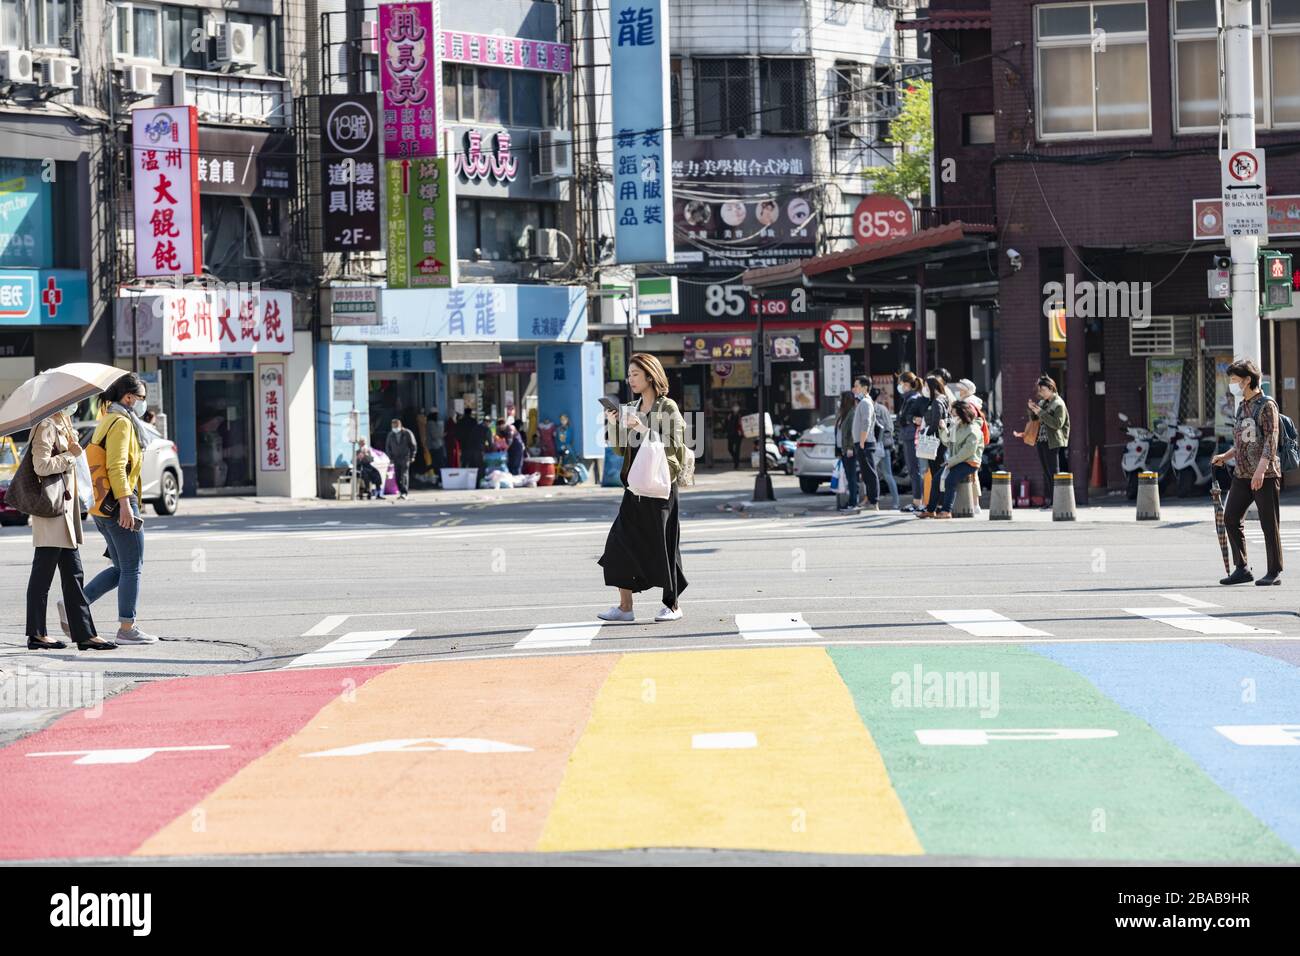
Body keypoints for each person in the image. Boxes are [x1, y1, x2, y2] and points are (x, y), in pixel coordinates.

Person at [597, 353, 690, 624]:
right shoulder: (630, 407)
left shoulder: (667, 407)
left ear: (650, 375)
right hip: (635, 486)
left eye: (635, 374)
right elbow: (619, 448)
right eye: (629, 375)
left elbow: (676, 445)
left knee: (663, 545)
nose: (631, 379)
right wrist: (614, 424)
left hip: (661, 486)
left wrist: (644, 427)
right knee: (618, 543)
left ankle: (672, 605)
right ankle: (625, 607)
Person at [25, 407, 112, 651]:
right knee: (43, 577)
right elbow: (41, 466)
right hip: (52, 515)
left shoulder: (63, 423)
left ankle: (85, 634)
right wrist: (70, 456)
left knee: (74, 575)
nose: (74, 405)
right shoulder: (46, 425)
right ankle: (37, 634)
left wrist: (72, 445)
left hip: (64, 515)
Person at [83, 372, 156, 645]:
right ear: (128, 397)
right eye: (141, 398)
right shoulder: (122, 423)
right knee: (132, 568)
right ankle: (127, 627)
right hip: (119, 503)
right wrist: (126, 505)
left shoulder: (108, 419)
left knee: (120, 567)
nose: (143, 403)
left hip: (102, 505)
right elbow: (116, 465)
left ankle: (74, 605)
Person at [1212, 358, 1283, 586]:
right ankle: (1241, 568)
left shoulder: (1267, 405)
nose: (1232, 384)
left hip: (1265, 475)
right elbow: (1243, 441)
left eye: (1235, 379)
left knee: (1268, 524)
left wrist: (1261, 471)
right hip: (1242, 474)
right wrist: (1226, 456)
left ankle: (1274, 571)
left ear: (1248, 380)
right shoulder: (1242, 406)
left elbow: (1271, 440)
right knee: (1230, 517)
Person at [927, 400, 986, 519]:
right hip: (955, 460)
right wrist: (943, 429)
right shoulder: (957, 426)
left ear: (961, 413)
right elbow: (947, 441)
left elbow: (968, 452)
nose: (952, 416)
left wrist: (950, 462)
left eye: (953, 414)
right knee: (936, 479)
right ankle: (930, 510)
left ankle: (946, 511)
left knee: (950, 481)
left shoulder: (973, 430)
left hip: (970, 462)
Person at [1027, 374, 1070, 509]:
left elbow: (1057, 424)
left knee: (1054, 472)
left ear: (1051, 388)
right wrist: (1032, 410)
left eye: (1043, 390)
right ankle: (1051, 501)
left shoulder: (1058, 404)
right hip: (1041, 440)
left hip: (1053, 441)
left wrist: (1041, 412)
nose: (1041, 393)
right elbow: (1036, 419)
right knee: (1046, 472)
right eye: (1040, 391)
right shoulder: (1042, 402)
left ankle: (1057, 502)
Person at [916, 374, 951, 515]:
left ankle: (937, 506)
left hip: (935, 443)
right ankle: (934, 506)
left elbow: (936, 422)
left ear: (931, 387)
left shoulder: (937, 402)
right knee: (938, 475)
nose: (924, 388)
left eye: (925, 386)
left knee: (937, 475)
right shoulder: (944, 399)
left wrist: (926, 434)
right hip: (941, 442)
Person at [896, 371, 928, 512]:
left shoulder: (913, 398)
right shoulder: (910, 398)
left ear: (907, 384)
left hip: (912, 436)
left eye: (900, 383)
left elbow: (904, 419)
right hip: (909, 435)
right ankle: (918, 500)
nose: (900, 386)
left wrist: (905, 419)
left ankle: (918, 501)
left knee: (915, 470)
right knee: (914, 470)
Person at [871, 387, 901, 510]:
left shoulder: (877, 409)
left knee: (885, 474)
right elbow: (890, 427)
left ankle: (895, 502)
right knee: (882, 474)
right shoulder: (882, 408)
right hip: (881, 445)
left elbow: (887, 428)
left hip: (881, 446)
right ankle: (891, 502)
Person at [852, 376, 879, 511]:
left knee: (870, 472)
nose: (854, 389)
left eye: (856, 386)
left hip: (865, 442)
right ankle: (869, 498)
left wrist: (862, 441)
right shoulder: (863, 402)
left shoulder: (866, 403)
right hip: (862, 442)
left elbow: (866, 423)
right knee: (866, 472)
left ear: (864, 388)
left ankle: (874, 501)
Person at [834, 391, 860, 512]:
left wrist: (850, 447)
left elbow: (852, 433)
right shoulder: (842, 414)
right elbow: (838, 434)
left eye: (841, 399)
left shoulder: (852, 413)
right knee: (849, 477)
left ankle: (853, 501)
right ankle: (851, 501)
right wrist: (838, 451)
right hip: (842, 449)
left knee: (851, 477)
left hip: (849, 450)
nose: (839, 401)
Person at [385, 417, 417, 500]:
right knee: (397, 476)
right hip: (395, 458)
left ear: (400, 425)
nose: (394, 428)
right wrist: (390, 457)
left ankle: (404, 492)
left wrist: (412, 456)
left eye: (396, 426)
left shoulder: (407, 433)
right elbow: (388, 447)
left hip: (405, 457)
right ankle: (400, 491)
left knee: (404, 475)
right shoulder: (391, 434)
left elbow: (413, 445)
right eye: (393, 427)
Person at [724, 403, 744, 469]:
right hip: (731, 434)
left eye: (737, 407)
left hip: (738, 434)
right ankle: (736, 459)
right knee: (730, 448)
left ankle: (736, 464)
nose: (735, 408)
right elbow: (726, 424)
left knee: (737, 450)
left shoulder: (740, 415)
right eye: (734, 407)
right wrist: (728, 419)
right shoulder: (730, 415)